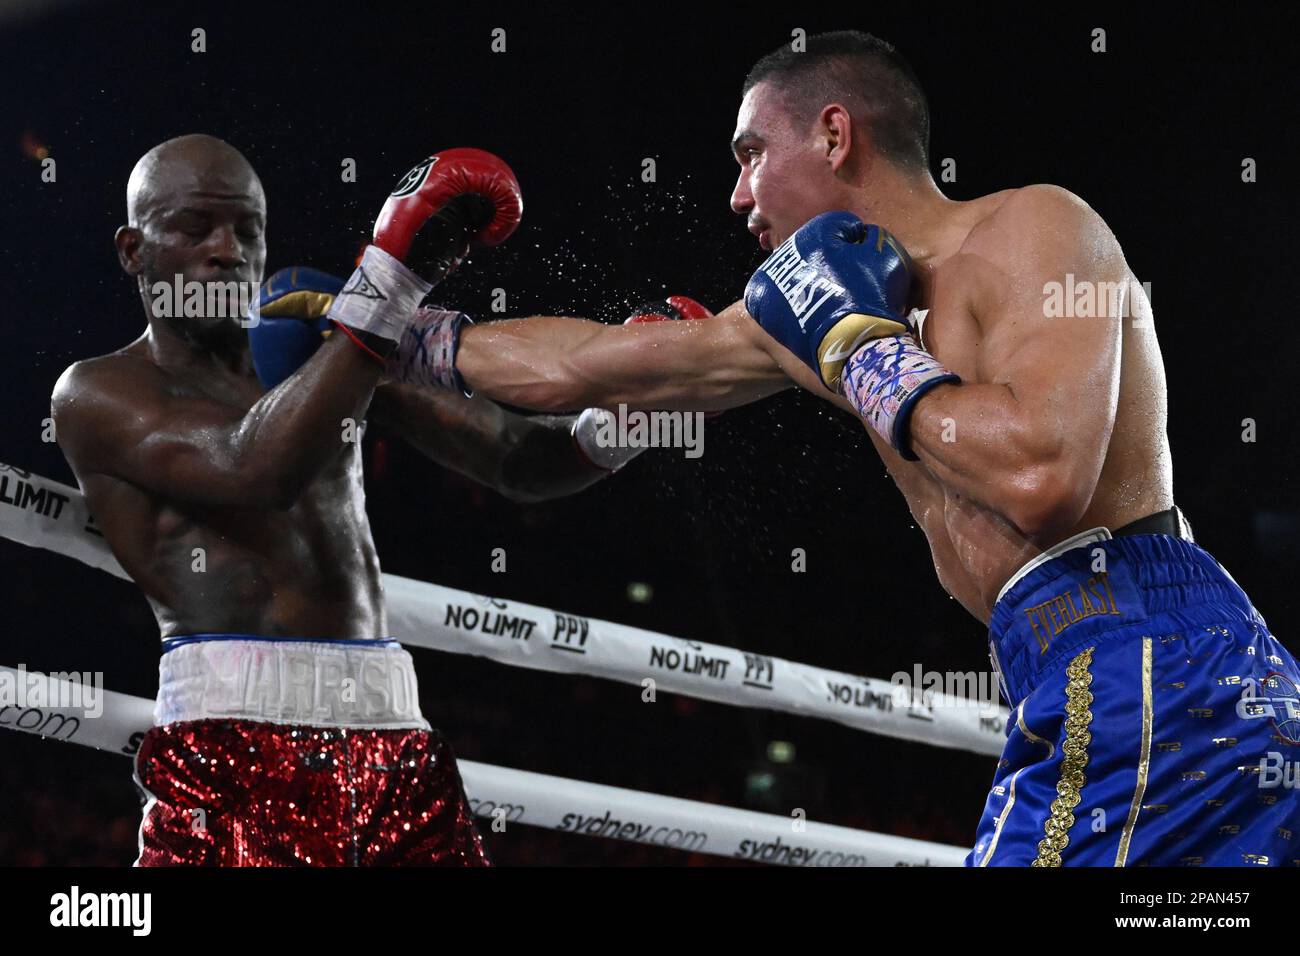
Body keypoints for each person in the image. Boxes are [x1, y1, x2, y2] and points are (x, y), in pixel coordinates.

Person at [413, 31, 1297, 866]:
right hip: (1084, 675)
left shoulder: (1033, 229)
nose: (738, 196)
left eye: (751, 153)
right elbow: (589, 364)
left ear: (835, 134)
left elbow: (1042, 478)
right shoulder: (795, 317)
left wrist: (858, 345)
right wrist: (398, 333)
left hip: (1151, 660)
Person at [49, 134, 641, 866]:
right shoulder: (99, 391)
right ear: (134, 251)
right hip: (235, 739)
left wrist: (633, 416)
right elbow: (254, 468)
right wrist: (386, 286)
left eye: (248, 229)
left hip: (394, 731)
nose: (228, 250)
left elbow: (518, 459)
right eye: (194, 226)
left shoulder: (324, 347)